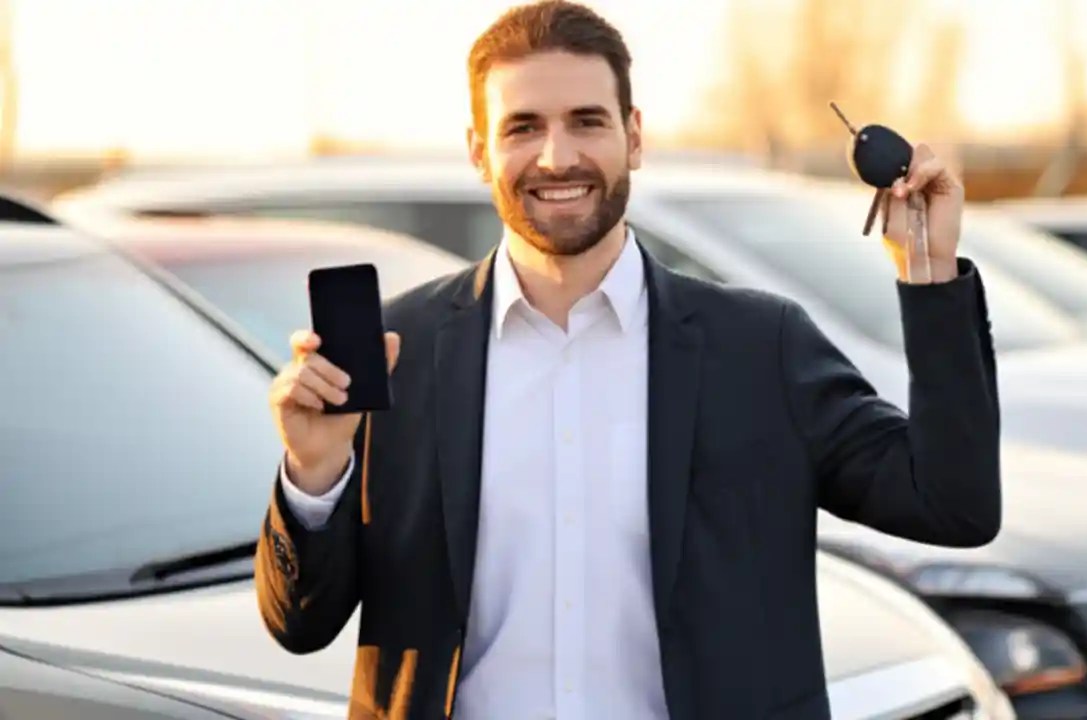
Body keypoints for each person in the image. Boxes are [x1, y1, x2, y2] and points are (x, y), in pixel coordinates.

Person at [254, 1, 1002, 718]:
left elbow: (953, 505)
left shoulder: (758, 347)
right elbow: (300, 625)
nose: (557, 156)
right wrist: (313, 478)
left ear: (634, 136)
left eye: (587, 121)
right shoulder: (396, 351)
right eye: (523, 127)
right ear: (480, 150)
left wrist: (929, 273)